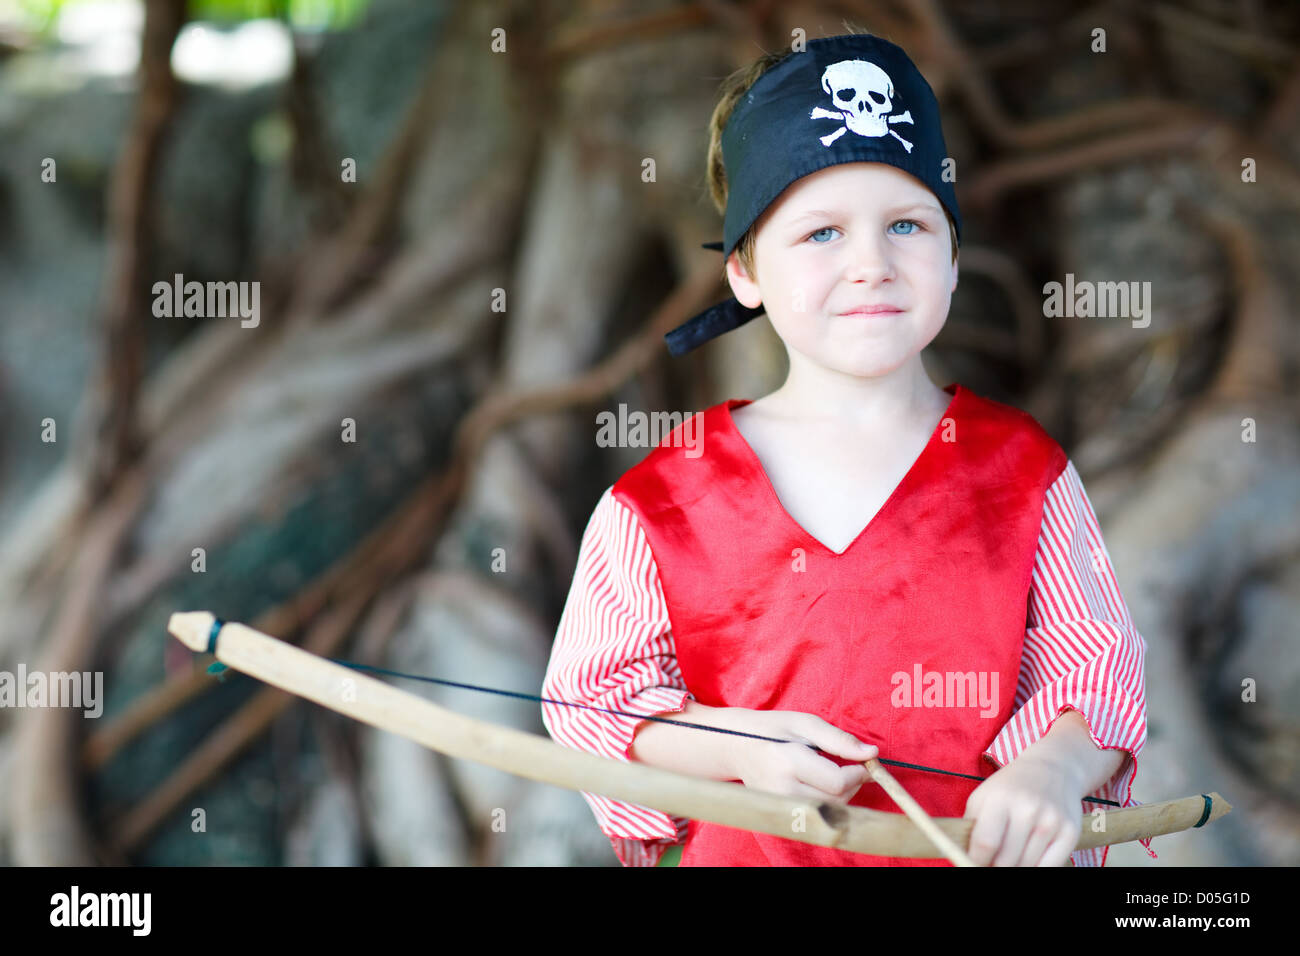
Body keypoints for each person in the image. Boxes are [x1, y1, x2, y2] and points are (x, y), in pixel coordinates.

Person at [541, 30, 1150, 867]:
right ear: (746, 273)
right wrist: (737, 749)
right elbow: (590, 704)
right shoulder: (658, 503)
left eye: (906, 224)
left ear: (953, 253)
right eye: (820, 233)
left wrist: (1053, 770)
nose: (871, 263)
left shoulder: (1025, 474)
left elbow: (1098, 678)